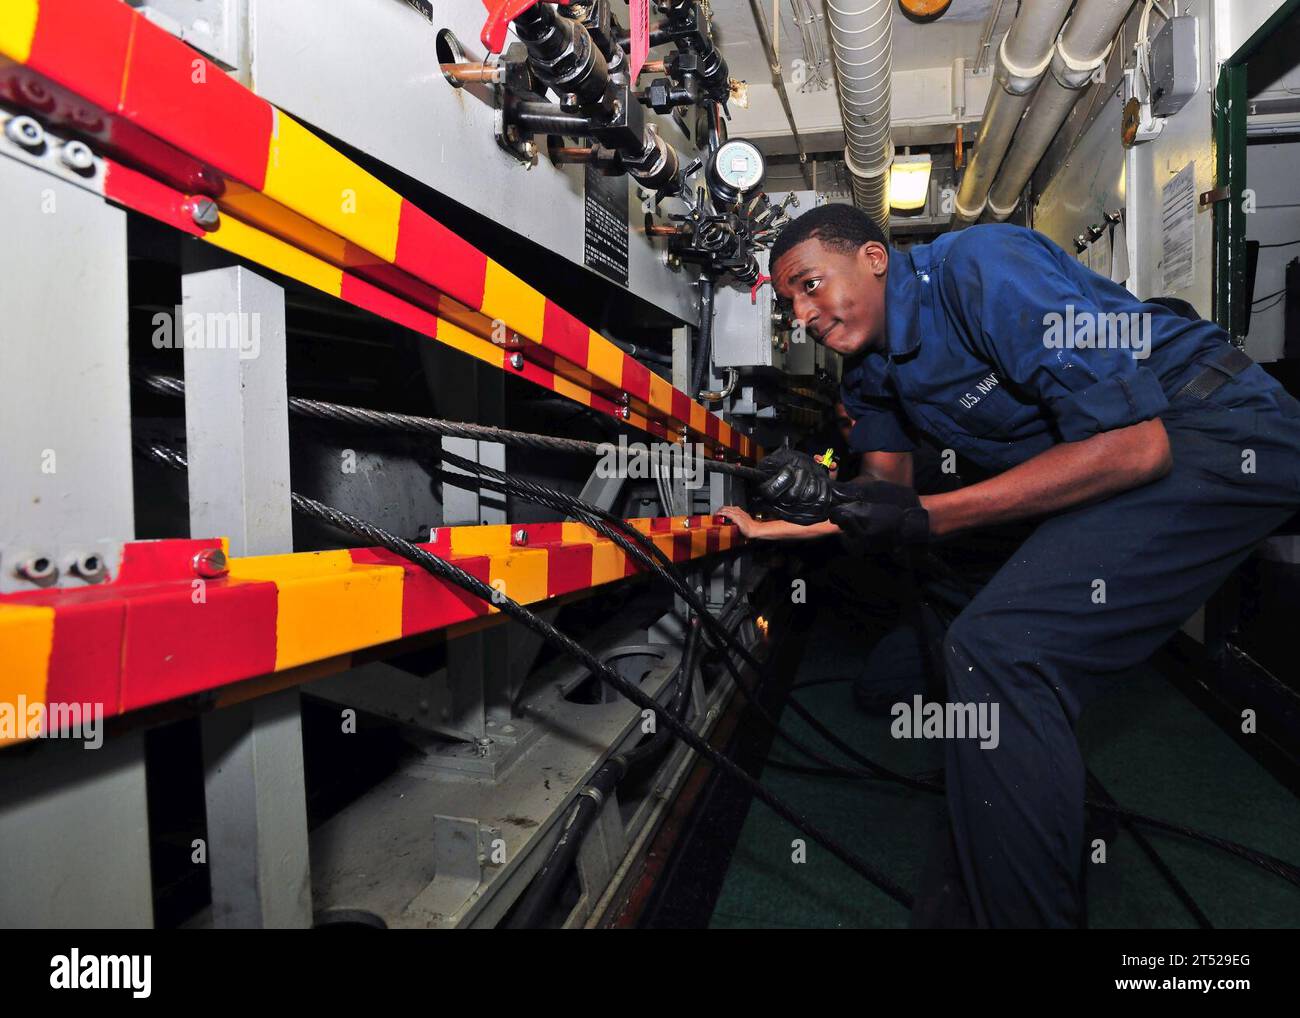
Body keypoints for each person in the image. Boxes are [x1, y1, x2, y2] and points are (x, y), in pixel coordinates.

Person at [720, 204, 1300, 928]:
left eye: (810, 286)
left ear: (874, 257)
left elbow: (1135, 447)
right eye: (789, 303)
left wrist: (934, 515)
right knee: (951, 611)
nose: (802, 314)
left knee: (1000, 649)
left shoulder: (981, 268)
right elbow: (887, 499)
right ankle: (1037, 813)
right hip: (1120, 461)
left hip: (1212, 426)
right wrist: (801, 509)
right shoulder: (868, 371)